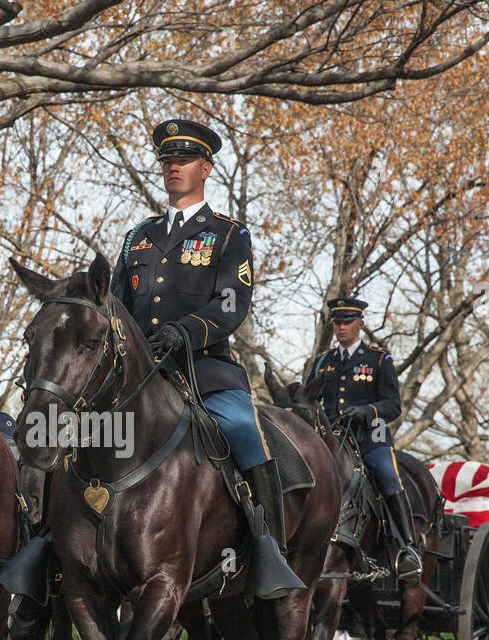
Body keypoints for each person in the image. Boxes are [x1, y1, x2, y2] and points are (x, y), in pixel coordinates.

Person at [109, 118, 299, 599]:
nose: (173, 168)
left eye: (184, 160)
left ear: (206, 169)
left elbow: (232, 303)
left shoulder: (228, 234)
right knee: (80, 434)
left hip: (205, 369)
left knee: (243, 431)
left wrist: (186, 332)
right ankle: (50, 542)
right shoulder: (138, 238)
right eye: (167, 160)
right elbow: (114, 305)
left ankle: (268, 548)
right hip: (141, 374)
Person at [308, 298, 421, 581]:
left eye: (347, 321)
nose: (341, 327)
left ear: (361, 322)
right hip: (332, 439)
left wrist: (367, 412)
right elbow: (310, 399)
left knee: (388, 475)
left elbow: (393, 405)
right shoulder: (324, 362)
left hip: (371, 437)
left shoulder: (378, 359)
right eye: (337, 322)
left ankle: (408, 548)